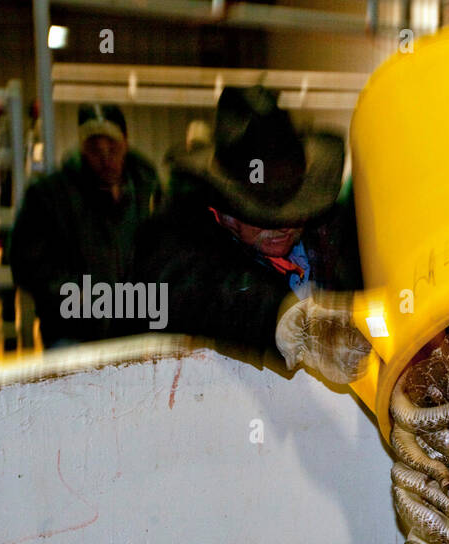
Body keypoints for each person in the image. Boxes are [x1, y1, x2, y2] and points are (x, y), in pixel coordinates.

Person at [136, 85, 370, 385]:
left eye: (295, 211)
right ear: (226, 211)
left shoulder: (332, 235)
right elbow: (195, 290)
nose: (283, 226)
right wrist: (289, 320)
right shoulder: (177, 241)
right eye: (262, 215)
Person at [9, 104, 162, 348]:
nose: (104, 158)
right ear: (82, 148)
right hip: (73, 332)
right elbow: (26, 264)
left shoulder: (150, 194)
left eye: (111, 147)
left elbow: (165, 256)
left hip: (135, 332)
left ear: (125, 142)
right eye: (94, 149)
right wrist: (74, 296)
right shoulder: (50, 197)